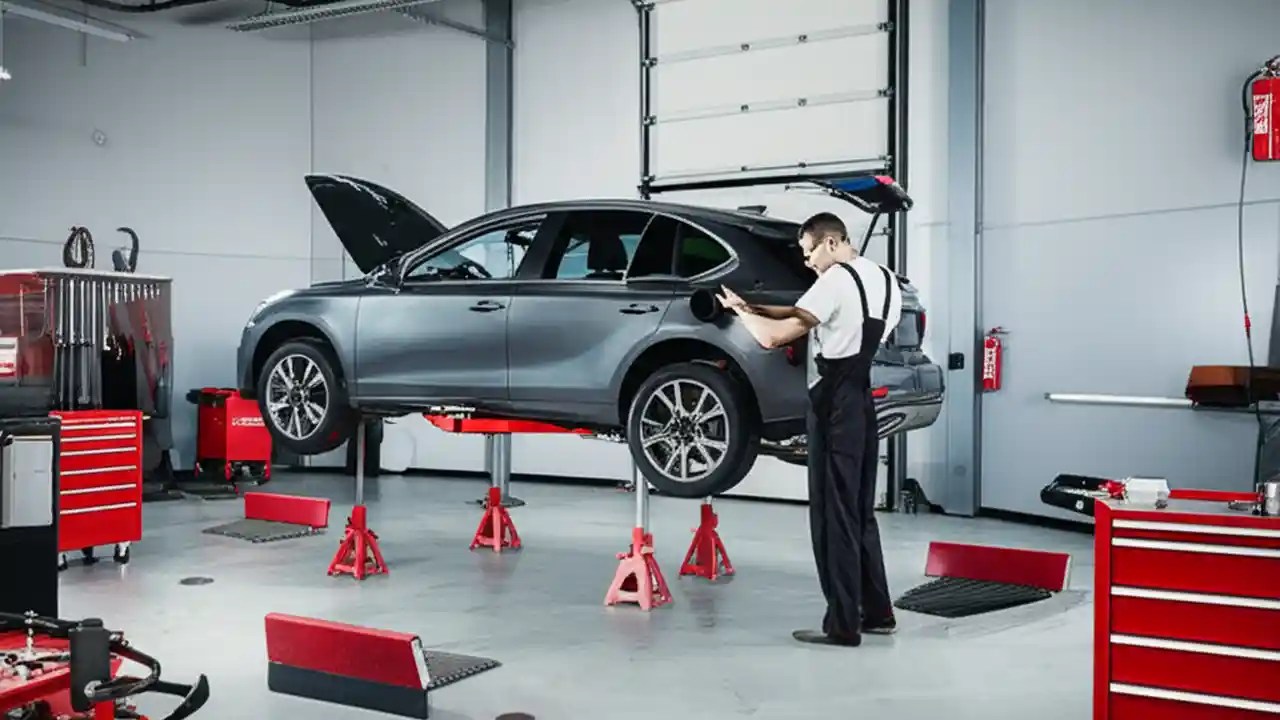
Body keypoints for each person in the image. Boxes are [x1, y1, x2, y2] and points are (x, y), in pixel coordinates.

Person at [717, 211, 901, 647]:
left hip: (834, 403)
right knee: (859, 513)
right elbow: (807, 311)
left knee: (830, 514)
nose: (808, 263)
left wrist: (743, 316)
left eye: (810, 252)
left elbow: (773, 337)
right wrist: (752, 303)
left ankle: (843, 626)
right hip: (861, 400)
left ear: (832, 243)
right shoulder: (886, 280)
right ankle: (877, 612)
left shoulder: (835, 278)